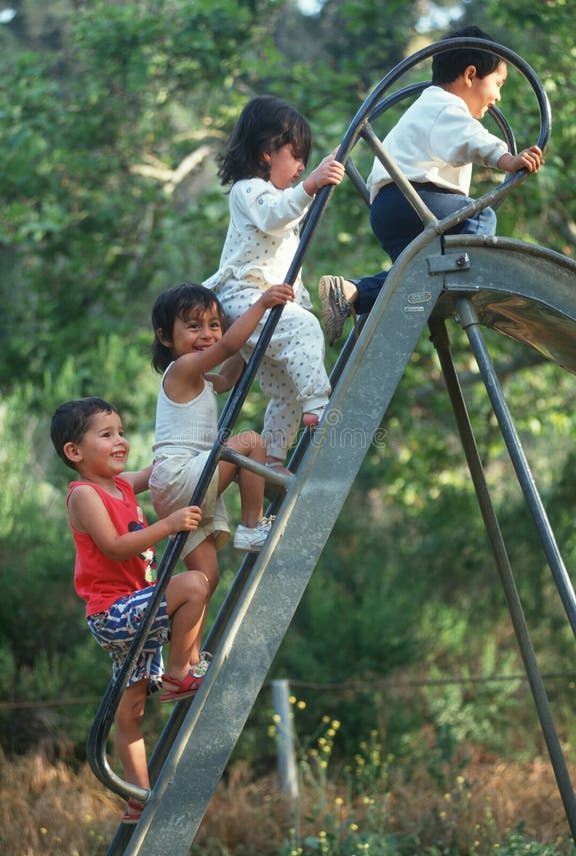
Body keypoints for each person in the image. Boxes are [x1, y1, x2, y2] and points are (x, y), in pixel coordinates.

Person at [318, 25, 545, 345]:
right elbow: (471, 139)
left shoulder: (427, 106)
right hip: (414, 201)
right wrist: (507, 160)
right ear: (470, 75)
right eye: (498, 83)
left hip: (390, 210)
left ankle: (352, 292)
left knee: (417, 275)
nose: (498, 97)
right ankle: (471, 270)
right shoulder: (446, 106)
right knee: (480, 217)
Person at [50, 397, 210, 824]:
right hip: (116, 613)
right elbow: (115, 547)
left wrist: (198, 456)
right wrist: (168, 525)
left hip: (136, 609)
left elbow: (158, 474)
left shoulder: (120, 486)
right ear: (75, 452)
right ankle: (179, 675)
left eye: (121, 432)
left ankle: (137, 793)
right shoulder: (84, 495)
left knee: (131, 707)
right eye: (106, 435)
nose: (120, 441)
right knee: (193, 584)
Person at [203, 94, 345, 468]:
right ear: (268, 151)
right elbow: (276, 216)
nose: (300, 168)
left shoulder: (277, 197)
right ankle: (320, 405)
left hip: (264, 304)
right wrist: (312, 185)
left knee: (285, 390)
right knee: (306, 329)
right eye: (296, 156)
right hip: (243, 299)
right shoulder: (249, 191)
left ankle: (275, 457)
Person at [149, 281, 295, 597]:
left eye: (214, 325)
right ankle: (252, 528)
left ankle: (182, 643)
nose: (207, 334)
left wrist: (253, 341)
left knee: (206, 580)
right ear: (165, 337)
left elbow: (228, 376)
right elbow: (226, 347)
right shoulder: (183, 368)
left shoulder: (198, 379)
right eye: (193, 326)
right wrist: (261, 305)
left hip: (174, 488)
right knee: (252, 443)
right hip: (181, 476)